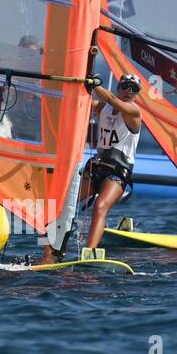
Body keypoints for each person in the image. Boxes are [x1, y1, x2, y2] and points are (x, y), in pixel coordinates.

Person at [39, 73, 142, 263]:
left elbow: (110, 97)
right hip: (97, 166)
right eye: (126, 86)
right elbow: (83, 104)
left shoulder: (133, 112)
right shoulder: (105, 107)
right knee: (60, 203)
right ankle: (49, 251)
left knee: (100, 206)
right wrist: (61, 90)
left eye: (134, 89)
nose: (129, 91)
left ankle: (90, 253)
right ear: (119, 87)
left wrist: (92, 84)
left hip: (118, 171)